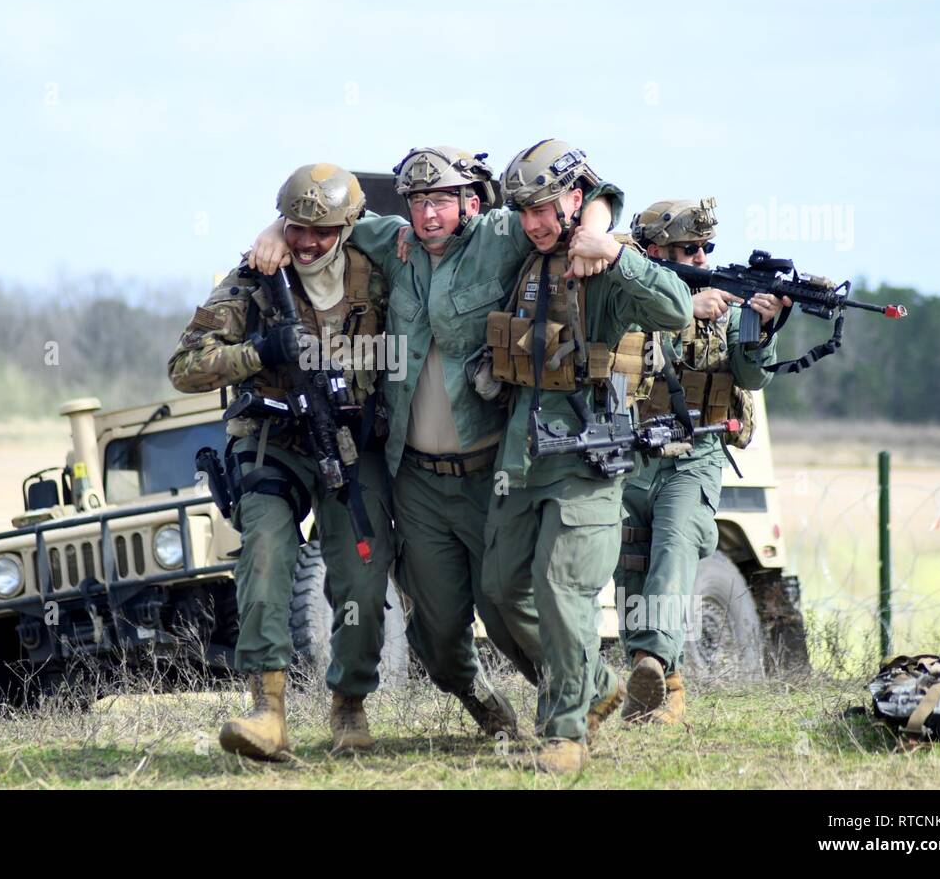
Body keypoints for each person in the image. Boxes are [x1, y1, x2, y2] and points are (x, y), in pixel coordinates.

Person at [250, 144, 622, 738]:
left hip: (489, 470)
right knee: (437, 632)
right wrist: (273, 228)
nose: (427, 215)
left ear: (469, 202)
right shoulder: (392, 245)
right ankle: (485, 705)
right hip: (416, 478)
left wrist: (599, 229)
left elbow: (588, 195)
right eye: (418, 201)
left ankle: (583, 694)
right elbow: (320, 217)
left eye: (441, 201)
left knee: (508, 607)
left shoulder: (504, 236)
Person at [479, 140, 693, 773]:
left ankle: (565, 731)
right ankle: (596, 684)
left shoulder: (603, 266)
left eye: (544, 209)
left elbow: (677, 308)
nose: (533, 224)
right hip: (524, 450)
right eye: (524, 212)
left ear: (573, 201)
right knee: (497, 592)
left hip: (588, 452)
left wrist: (610, 249)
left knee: (563, 588)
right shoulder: (526, 252)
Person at [167, 163, 394, 759]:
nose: (308, 243)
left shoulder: (382, 271)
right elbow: (185, 368)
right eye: (296, 228)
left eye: (322, 232)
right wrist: (257, 352)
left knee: (362, 580)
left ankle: (349, 704)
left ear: (348, 227)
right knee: (266, 552)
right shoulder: (254, 280)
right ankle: (268, 710)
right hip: (273, 440)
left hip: (354, 443)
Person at [617, 198, 786, 723]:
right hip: (631, 450)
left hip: (697, 451)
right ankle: (665, 685)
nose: (700, 257)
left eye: (705, 248)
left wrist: (763, 328)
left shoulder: (728, 306)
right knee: (631, 571)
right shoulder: (625, 296)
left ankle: (650, 659)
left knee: (674, 550)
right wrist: (683, 312)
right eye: (687, 249)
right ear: (653, 252)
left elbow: (753, 378)